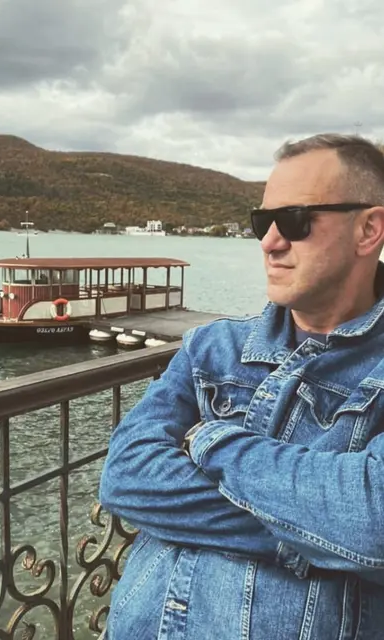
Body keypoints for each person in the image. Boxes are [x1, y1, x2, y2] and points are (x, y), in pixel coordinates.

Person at [99, 133, 384, 639]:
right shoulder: (211, 347)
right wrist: (313, 534)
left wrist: (209, 439)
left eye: (295, 220)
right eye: (262, 222)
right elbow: (124, 476)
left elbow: (372, 520)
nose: (270, 242)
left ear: (369, 230)